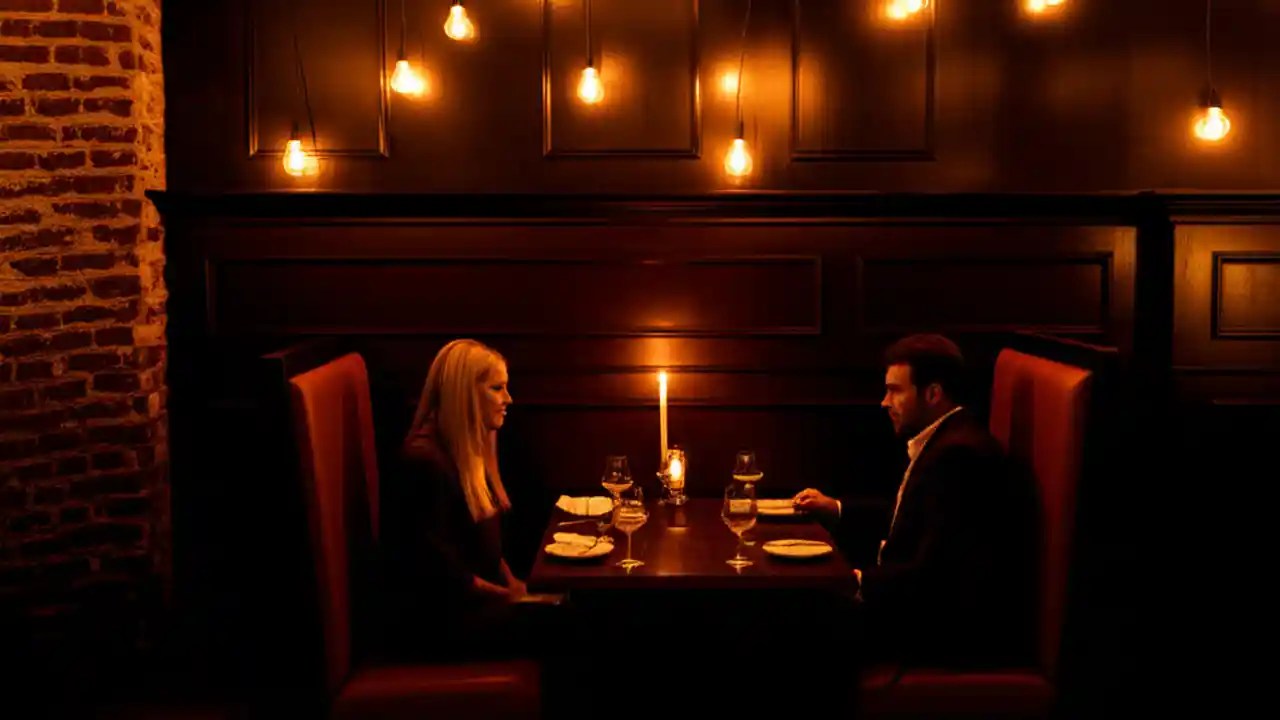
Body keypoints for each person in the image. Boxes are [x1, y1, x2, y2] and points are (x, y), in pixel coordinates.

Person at [794, 334, 1036, 667]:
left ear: (933, 393)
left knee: (793, 626)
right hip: (914, 612)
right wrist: (835, 509)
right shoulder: (947, 438)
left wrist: (855, 581)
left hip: (937, 636)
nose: (884, 402)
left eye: (895, 390)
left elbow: (937, 577)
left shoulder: (960, 456)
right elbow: (909, 519)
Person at [380, 338, 532, 660]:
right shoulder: (423, 464)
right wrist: (510, 598)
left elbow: (483, 549)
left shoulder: (466, 451)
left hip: (472, 610)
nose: (508, 399)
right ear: (466, 394)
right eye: (497, 388)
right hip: (438, 628)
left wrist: (512, 583)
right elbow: (441, 580)